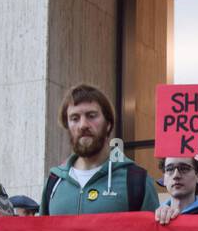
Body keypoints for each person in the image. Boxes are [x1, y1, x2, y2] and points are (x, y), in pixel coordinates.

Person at [41, 85, 159, 216]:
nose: (83, 125)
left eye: (91, 116)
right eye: (74, 118)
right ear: (67, 126)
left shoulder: (136, 180)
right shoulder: (54, 182)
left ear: (108, 124)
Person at [155, 150, 198, 224]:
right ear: (164, 179)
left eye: (184, 168)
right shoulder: (154, 215)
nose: (176, 175)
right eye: (169, 169)